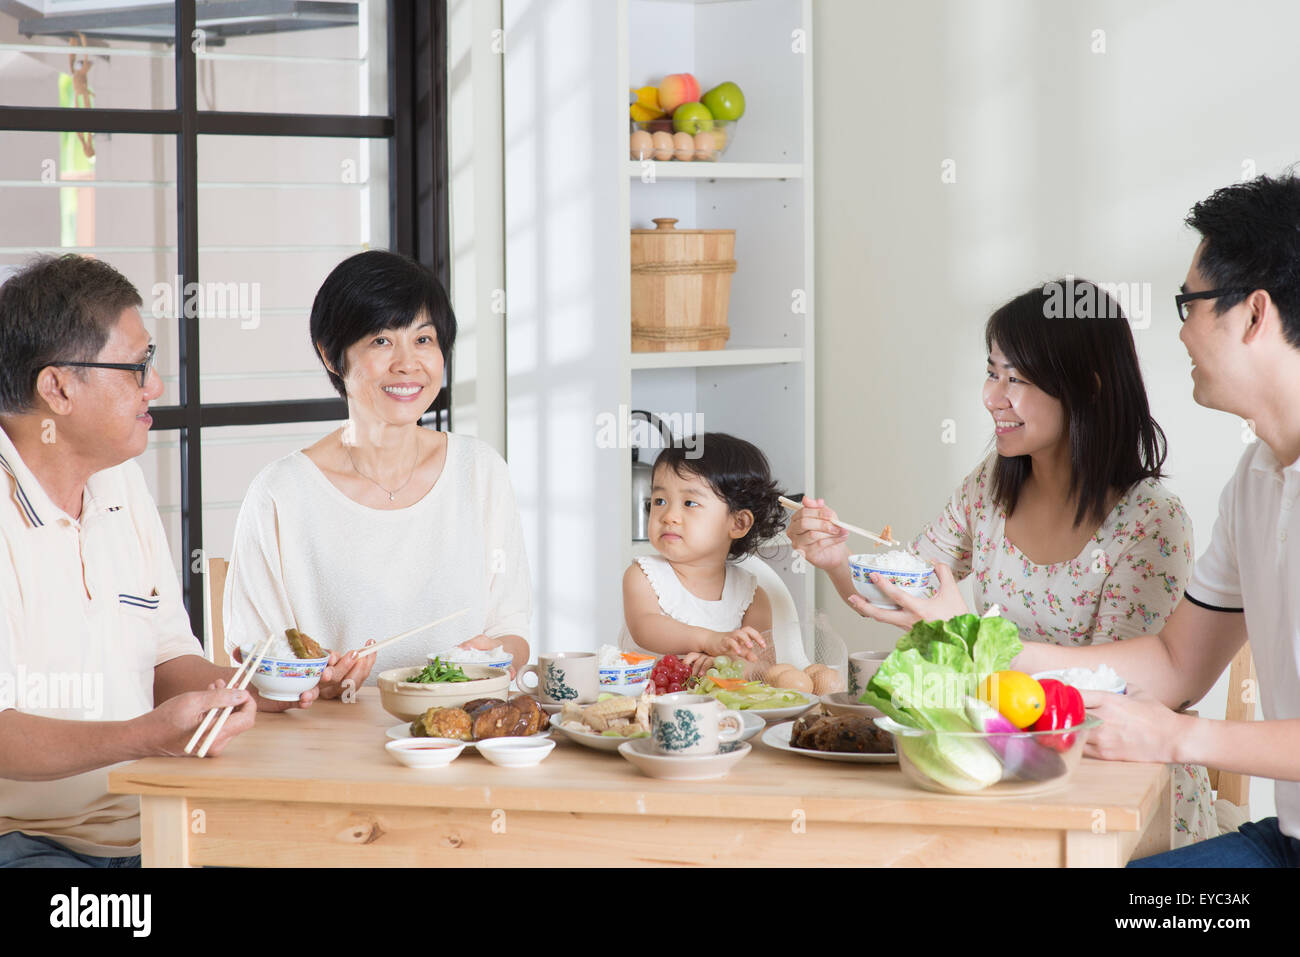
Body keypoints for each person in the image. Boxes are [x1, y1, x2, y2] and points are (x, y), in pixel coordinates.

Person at [789, 279, 1216, 845]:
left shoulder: (1149, 520)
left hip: (1118, 783)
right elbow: (914, 587)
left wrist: (965, 636)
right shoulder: (990, 487)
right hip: (999, 764)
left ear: (1085, 389)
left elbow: (1116, 696)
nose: (993, 396)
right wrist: (838, 560)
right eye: (992, 372)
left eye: (1017, 378)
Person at [0, 255, 316, 868]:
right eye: (137, 367)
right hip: (26, 841)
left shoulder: (120, 482)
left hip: (156, 818)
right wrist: (147, 736)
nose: (156, 387)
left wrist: (256, 688)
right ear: (58, 388)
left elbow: (169, 655)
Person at [224, 250, 531, 693]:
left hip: (459, 734)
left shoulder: (480, 471)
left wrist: (494, 655)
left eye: (423, 340)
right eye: (381, 341)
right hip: (326, 743)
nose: (408, 364)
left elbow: (512, 627)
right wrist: (314, 683)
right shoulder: (281, 493)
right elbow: (253, 655)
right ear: (332, 356)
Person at [621, 432, 785, 675]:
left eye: (689, 503)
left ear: (738, 523)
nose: (668, 516)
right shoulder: (643, 576)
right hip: (649, 706)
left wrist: (734, 665)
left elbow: (764, 666)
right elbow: (646, 628)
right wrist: (710, 640)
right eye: (659, 501)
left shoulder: (752, 597)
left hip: (723, 708)